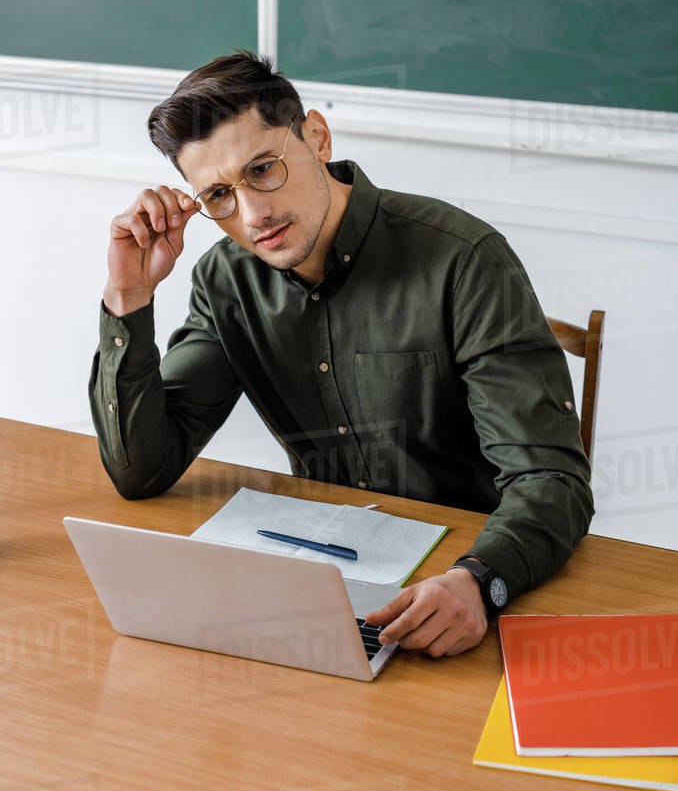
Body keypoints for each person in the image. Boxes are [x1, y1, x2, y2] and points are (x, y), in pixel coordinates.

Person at [90, 51, 594, 658]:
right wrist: (128, 297)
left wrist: (480, 581)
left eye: (264, 169)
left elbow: (551, 479)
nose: (253, 215)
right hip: (326, 584)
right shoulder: (227, 282)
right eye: (219, 195)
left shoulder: (465, 260)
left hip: (464, 586)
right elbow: (142, 471)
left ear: (317, 138)